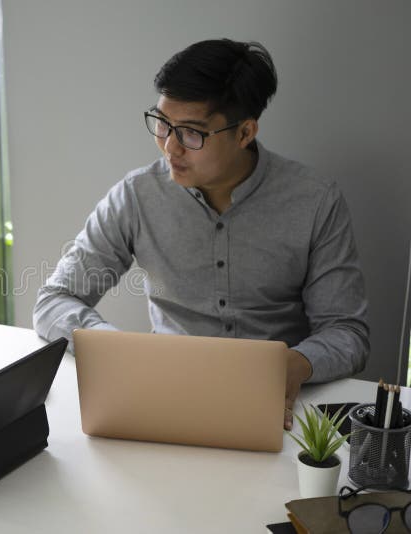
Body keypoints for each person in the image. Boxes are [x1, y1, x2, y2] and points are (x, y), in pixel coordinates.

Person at [32, 39, 369, 430]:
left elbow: (347, 331)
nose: (170, 147)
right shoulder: (137, 196)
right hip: (167, 395)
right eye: (162, 124)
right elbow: (54, 300)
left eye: (191, 133)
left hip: (275, 406)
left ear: (244, 132)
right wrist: (115, 348)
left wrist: (295, 365)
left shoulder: (315, 201)